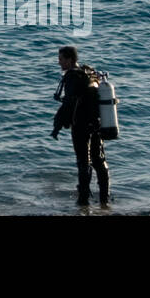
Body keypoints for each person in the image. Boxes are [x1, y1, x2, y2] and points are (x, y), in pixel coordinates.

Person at [52, 45, 110, 206]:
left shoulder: (72, 77)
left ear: (70, 60)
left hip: (81, 125)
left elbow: (69, 104)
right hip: (96, 123)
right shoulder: (89, 73)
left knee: (84, 161)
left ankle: (83, 200)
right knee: (98, 159)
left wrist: (57, 125)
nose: (59, 62)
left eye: (61, 59)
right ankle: (105, 199)